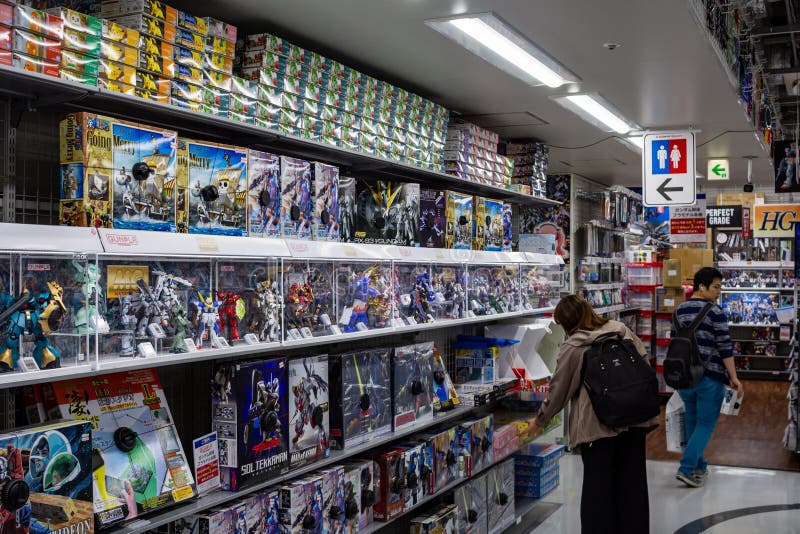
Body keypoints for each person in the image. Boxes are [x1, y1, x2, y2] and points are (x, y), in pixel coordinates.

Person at [531, 294, 657, 534]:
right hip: (634, 421)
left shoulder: (574, 346)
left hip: (598, 428)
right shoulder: (620, 330)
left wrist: (540, 421)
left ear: (566, 323)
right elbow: (644, 366)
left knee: (597, 492)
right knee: (633, 487)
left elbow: (559, 390)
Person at [673, 267, 743, 488]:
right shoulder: (715, 312)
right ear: (701, 287)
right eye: (716, 287)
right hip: (709, 377)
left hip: (684, 377)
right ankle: (686, 469)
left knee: (692, 422)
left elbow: (675, 343)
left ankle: (699, 466)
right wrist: (734, 377)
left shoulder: (679, 310)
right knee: (705, 424)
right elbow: (725, 347)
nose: (718, 292)